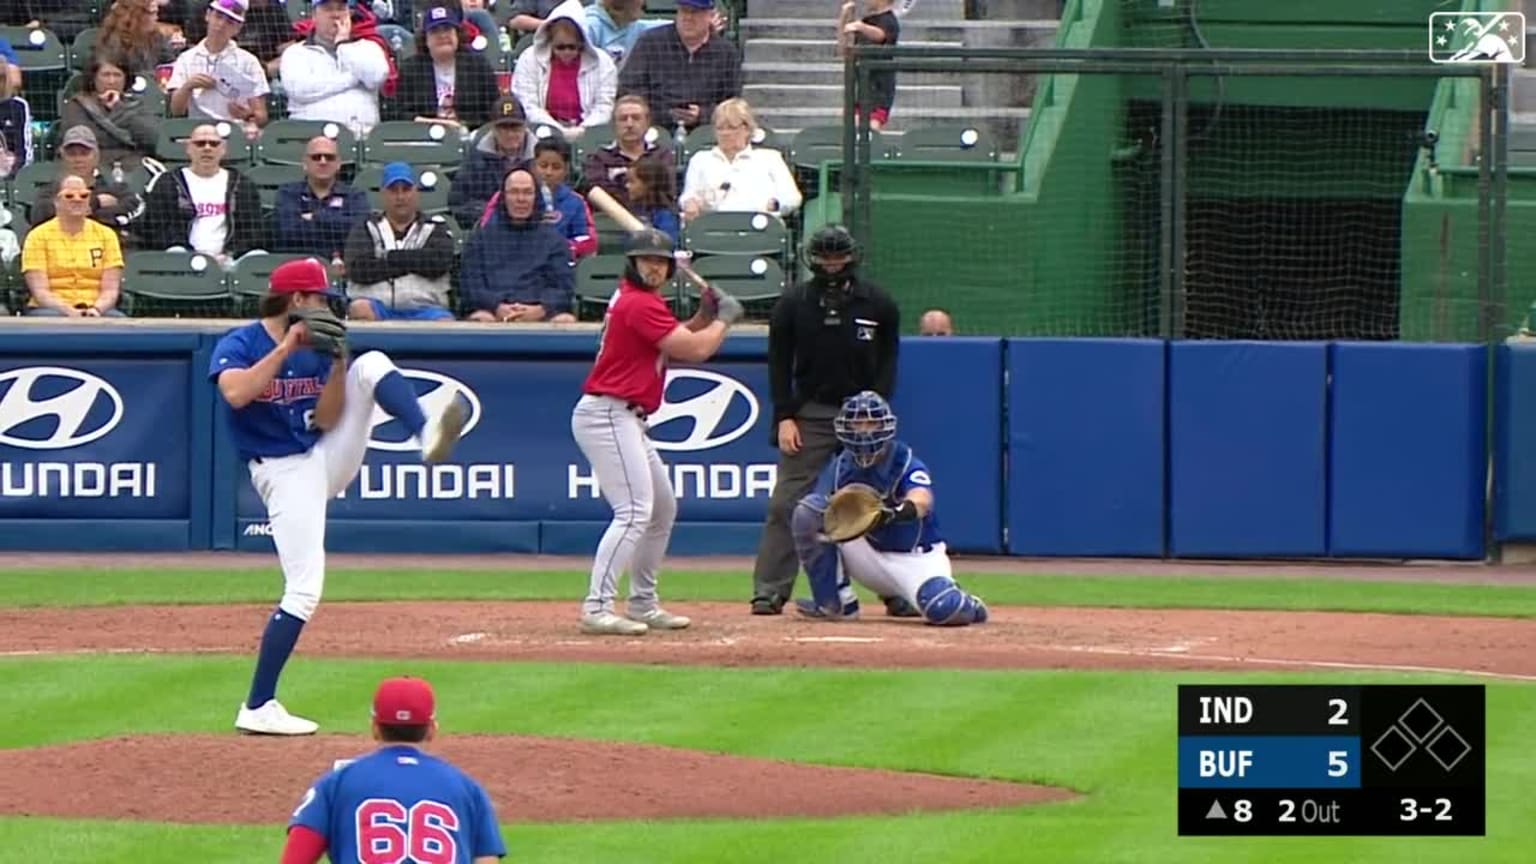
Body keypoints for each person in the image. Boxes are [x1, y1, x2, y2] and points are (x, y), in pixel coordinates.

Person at [212, 258, 469, 735]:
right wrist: (287, 348)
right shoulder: (241, 343)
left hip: (322, 452)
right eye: (319, 300)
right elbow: (236, 394)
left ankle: (425, 433)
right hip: (282, 471)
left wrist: (335, 364)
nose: (328, 309)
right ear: (295, 301)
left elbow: (328, 419)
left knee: (370, 364)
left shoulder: (318, 345)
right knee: (304, 590)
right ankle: (258, 705)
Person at [570, 228, 744, 634]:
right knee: (633, 512)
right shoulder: (636, 303)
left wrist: (704, 315)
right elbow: (697, 350)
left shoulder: (645, 302)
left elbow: (675, 339)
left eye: (661, 262)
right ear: (632, 262)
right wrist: (724, 321)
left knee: (661, 509)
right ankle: (596, 607)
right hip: (608, 413)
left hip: (625, 416)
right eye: (646, 259)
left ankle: (643, 603)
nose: (654, 266)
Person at [751, 225, 905, 616]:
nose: (832, 264)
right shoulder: (792, 303)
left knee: (877, 503)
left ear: (852, 257)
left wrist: (877, 408)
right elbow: (779, 365)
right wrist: (785, 416)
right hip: (811, 411)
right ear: (812, 258)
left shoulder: (879, 304)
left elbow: (888, 361)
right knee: (787, 502)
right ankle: (769, 589)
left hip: (864, 415)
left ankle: (898, 590)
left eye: (838, 256)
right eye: (825, 257)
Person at [790, 390, 988, 626]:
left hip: (913, 558)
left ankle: (969, 604)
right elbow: (825, 509)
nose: (864, 430)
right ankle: (836, 603)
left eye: (871, 423)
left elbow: (922, 499)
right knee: (809, 512)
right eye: (857, 423)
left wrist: (893, 513)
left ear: (885, 426)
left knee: (944, 608)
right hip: (867, 552)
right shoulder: (841, 465)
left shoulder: (904, 460)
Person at [283, 676, 507, 863]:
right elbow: (486, 860)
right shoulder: (466, 787)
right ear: (431, 729)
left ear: (375, 728)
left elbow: (295, 858)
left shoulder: (337, 783)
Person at [460, 166, 576, 323]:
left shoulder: (554, 241)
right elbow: (471, 285)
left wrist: (541, 309)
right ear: (503, 197)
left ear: (536, 197)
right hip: (493, 312)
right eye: (514, 192)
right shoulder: (481, 238)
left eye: (527, 192)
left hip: (540, 314)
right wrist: (497, 307)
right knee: (481, 318)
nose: (521, 199)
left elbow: (563, 287)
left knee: (565, 320)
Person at [343, 162, 457, 320]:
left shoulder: (436, 228)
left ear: (417, 193)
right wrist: (413, 261)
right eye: (393, 190)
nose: (400, 197)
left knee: (445, 321)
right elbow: (359, 270)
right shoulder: (364, 227)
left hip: (425, 308)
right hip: (378, 306)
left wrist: (388, 258)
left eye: (406, 189)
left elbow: (436, 264)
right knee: (359, 309)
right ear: (382, 194)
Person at [678, 97, 800, 222]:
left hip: (759, 226)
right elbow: (688, 195)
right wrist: (689, 203)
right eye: (720, 128)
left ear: (747, 129)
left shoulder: (770, 158)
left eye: (731, 127)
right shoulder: (700, 159)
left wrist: (774, 204)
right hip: (714, 227)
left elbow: (792, 198)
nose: (725, 133)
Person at [510, 0, 618, 140]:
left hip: (588, 134)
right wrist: (557, 130)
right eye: (560, 47)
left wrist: (583, 130)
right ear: (550, 41)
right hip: (542, 133)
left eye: (572, 47)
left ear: (583, 42)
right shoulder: (529, 58)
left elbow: (604, 106)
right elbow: (527, 103)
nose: (566, 52)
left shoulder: (603, 62)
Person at [21, 175, 126, 317]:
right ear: (57, 202)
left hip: (96, 307)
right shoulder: (37, 236)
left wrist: (96, 309)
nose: (77, 200)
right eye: (69, 196)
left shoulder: (107, 235)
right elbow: (40, 292)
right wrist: (69, 311)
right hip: (52, 309)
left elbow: (110, 290)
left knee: (117, 320)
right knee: (49, 318)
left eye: (84, 196)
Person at [166, 0, 271, 136]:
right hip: (197, 131)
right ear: (208, 15)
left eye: (230, 22)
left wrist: (247, 115)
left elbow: (262, 116)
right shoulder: (186, 59)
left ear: (237, 29)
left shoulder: (249, 62)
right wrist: (188, 87)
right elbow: (176, 111)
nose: (221, 25)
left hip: (236, 132)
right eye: (218, 16)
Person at [391, 4, 500, 129]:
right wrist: (438, 124)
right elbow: (400, 113)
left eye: (447, 29)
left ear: (457, 35)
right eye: (435, 31)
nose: (442, 35)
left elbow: (492, 110)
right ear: (425, 39)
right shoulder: (411, 68)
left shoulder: (479, 65)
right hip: (422, 136)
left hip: (470, 134)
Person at [838, 0, 899, 131]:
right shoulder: (867, 20)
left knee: (872, 128)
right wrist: (844, 17)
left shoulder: (890, 21)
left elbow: (881, 36)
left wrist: (861, 27)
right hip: (861, 86)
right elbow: (845, 46)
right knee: (852, 128)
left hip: (880, 87)